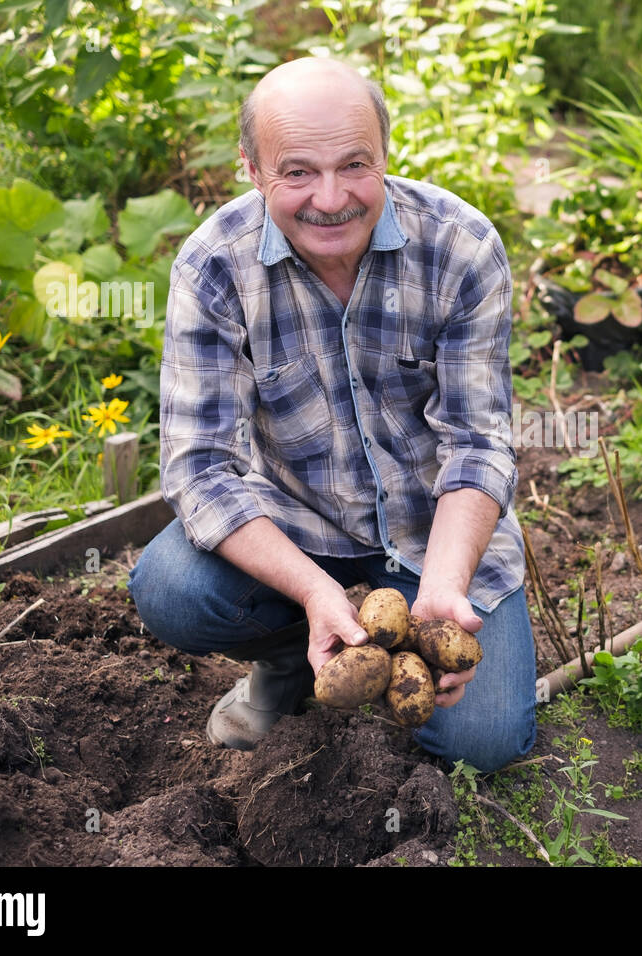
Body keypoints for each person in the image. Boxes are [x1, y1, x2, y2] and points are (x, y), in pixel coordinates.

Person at [128, 56, 537, 773]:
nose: (331, 198)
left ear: (386, 153)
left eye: (355, 165)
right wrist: (317, 591)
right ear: (252, 170)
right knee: (170, 588)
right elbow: (200, 471)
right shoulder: (214, 267)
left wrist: (443, 586)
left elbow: (478, 443)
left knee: (485, 742)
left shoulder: (460, 247)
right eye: (297, 173)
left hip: (429, 537)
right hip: (299, 530)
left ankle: (382, 665)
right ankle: (295, 656)